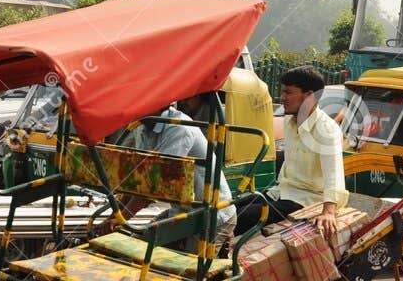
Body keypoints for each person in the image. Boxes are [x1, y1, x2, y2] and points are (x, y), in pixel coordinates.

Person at [236, 66, 346, 240]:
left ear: (309, 96)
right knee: (227, 211)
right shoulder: (289, 121)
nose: (283, 98)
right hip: (281, 192)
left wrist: (328, 212)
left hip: (306, 200)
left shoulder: (327, 130)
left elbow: (334, 174)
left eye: (289, 93)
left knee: (242, 217)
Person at [118, 101, 236, 248]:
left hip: (213, 214)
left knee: (189, 267)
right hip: (183, 211)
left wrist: (121, 218)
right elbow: (140, 180)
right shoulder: (143, 128)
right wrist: (116, 215)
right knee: (140, 245)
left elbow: (155, 184)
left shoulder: (179, 127)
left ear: (161, 103)